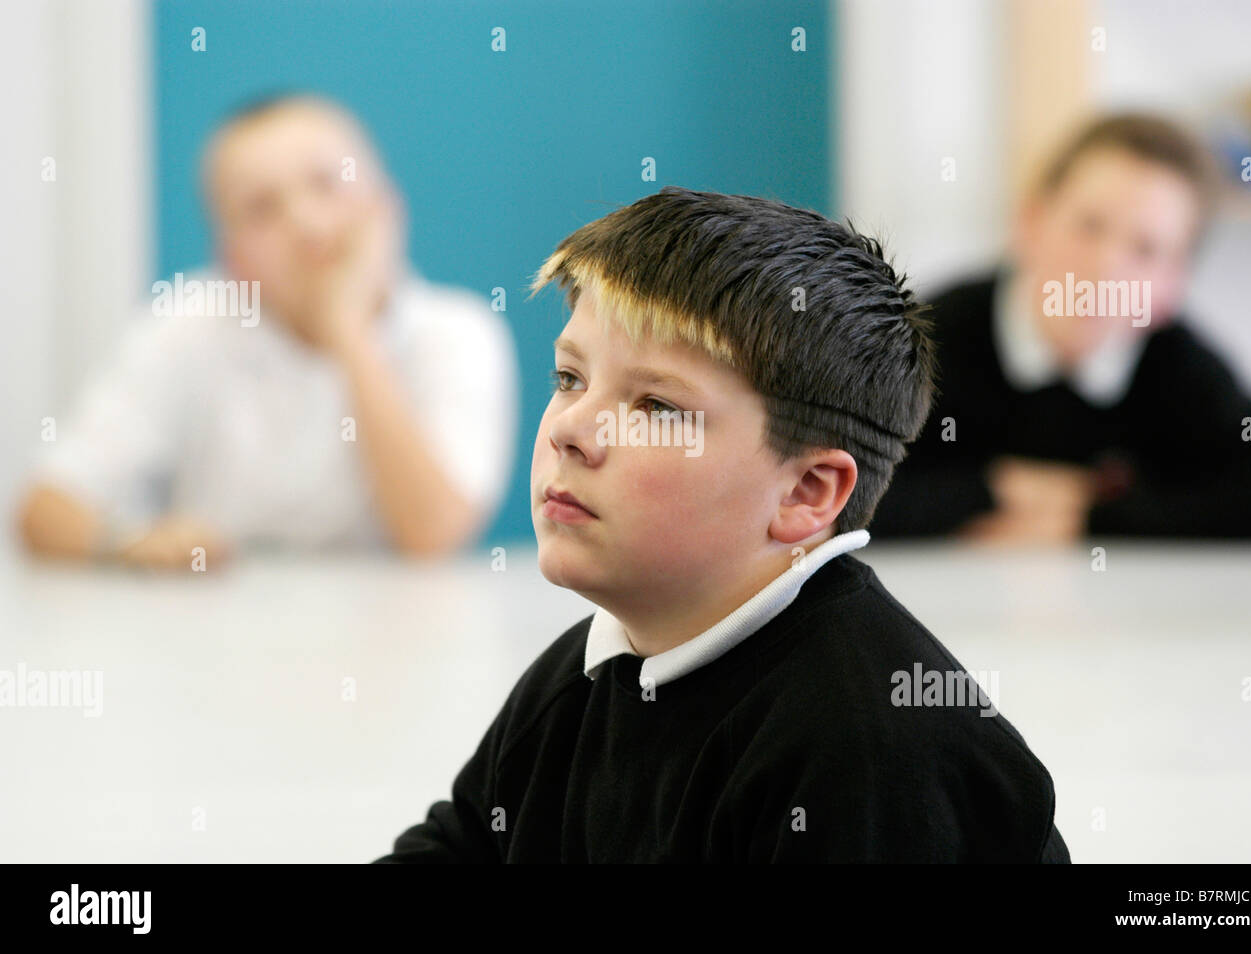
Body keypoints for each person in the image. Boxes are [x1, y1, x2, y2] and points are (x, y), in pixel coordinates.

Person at [375, 187, 1069, 862]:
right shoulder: (577, 683)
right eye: (570, 379)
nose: (573, 431)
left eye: (655, 405)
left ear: (806, 491)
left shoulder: (869, 750)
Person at [15, 94, 517, 567]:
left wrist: (345, 328)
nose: (304, 221)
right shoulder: (190, 322)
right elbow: (44, 508)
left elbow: (432, 535)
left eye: (326, 183)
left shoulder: (458, 333)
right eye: (261, 207)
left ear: (386, 206)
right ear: (231, 258)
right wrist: (130, 543)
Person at [870, 113, 1251, 541]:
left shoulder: (1179, 364)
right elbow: (827, 492)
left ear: (1175, 287)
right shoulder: (926, 339)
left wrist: (1092, 515)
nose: (1106, 268)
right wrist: (994, 491)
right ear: (1031, 222)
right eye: (1089, 226)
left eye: (1146, 249)